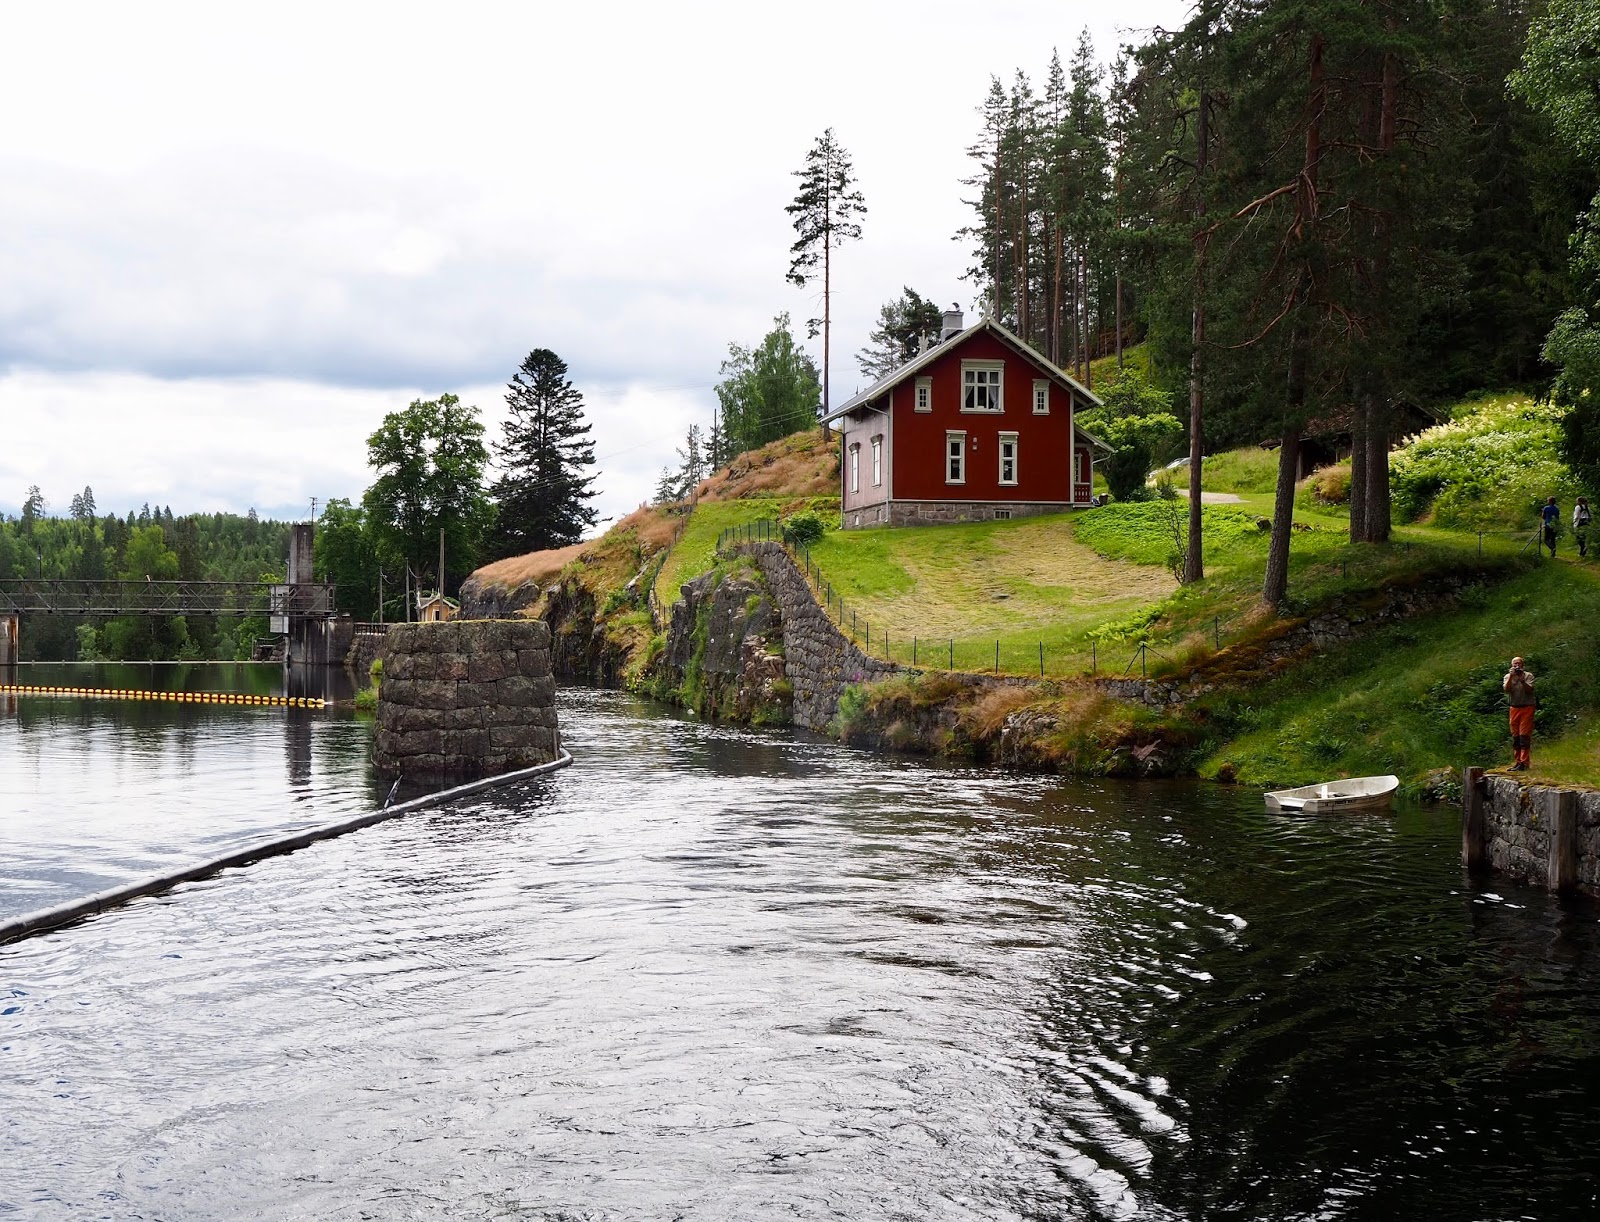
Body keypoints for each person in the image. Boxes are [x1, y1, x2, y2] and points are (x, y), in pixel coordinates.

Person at [1503, 657, 1536, 771]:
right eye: (1514, 664)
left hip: (1527, 707)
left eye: (1519, 664)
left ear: (1523, 665)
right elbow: (1506, 690)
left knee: (1524, 736)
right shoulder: (1508, 677)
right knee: (1515, 736)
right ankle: (1517, 761)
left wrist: (1522, 680)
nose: (1517, 666)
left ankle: (1524, 762)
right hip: (1514, 707)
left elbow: (1530, 690)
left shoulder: (1528, 676)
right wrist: (1512, 676)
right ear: (1511, 665)